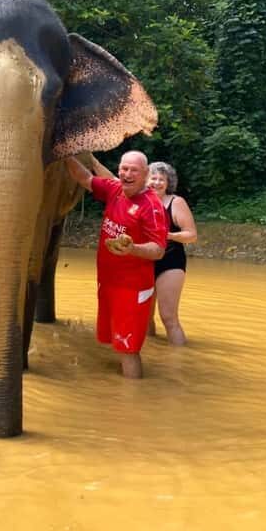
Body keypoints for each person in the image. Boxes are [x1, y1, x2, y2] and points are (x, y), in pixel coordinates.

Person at [65, 151, 167, 378]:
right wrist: (64, 155)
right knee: (115, 342)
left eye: (134, 170)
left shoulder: (152, 206)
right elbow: (85, 178)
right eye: (124, 169)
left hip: (132, 288)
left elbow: (158, 250)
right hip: (109, 281)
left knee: (129, 350)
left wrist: (133, 249)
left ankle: (132, 404)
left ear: (146, 174)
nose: (127, 174)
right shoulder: (115, 190)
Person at [147, 162, 197, 345]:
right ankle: (154, 354)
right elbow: (113, 183)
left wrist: (168, 235)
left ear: (168, 184)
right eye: (153, 178)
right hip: (144, 261)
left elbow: (191, 235)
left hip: (170, 262)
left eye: (162, 179)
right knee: (144, 317)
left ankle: (180, 362)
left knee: (168, 317)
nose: (157, 182)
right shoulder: (140, 200)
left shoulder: (176, 202)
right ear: (145, 180)